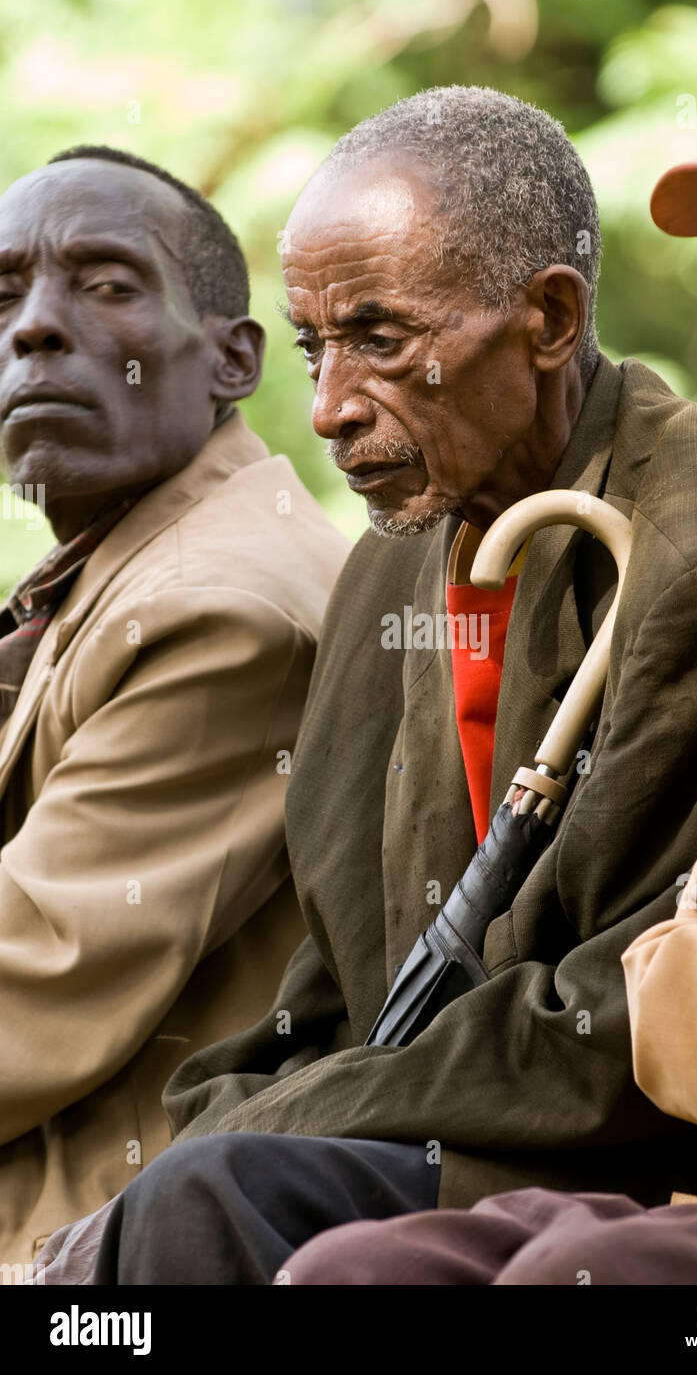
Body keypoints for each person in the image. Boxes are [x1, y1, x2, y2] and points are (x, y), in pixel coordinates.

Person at [77, 87, 697, 1286]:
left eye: (380, 339)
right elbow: (337, 977)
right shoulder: (394, 558)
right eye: (315, 348)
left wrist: (252, 1133)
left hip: (610, 1147)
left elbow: (619, 1023)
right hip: (431, 1110)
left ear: (550, 319)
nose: (325, 409)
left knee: (214, 1192)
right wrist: (223, 1109)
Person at [279, 41, 697, 1287]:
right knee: (330, 1261)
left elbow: (623, 1035)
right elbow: (683, 976)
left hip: (676, 1158)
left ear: (547, 319)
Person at [0, 145, 347, 1274]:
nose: (34, 329)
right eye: (3, 296)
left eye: (107, 284)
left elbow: (26, 988)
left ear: (234, 360)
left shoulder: (219, 608)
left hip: (95, 1232)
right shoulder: (123, 562)